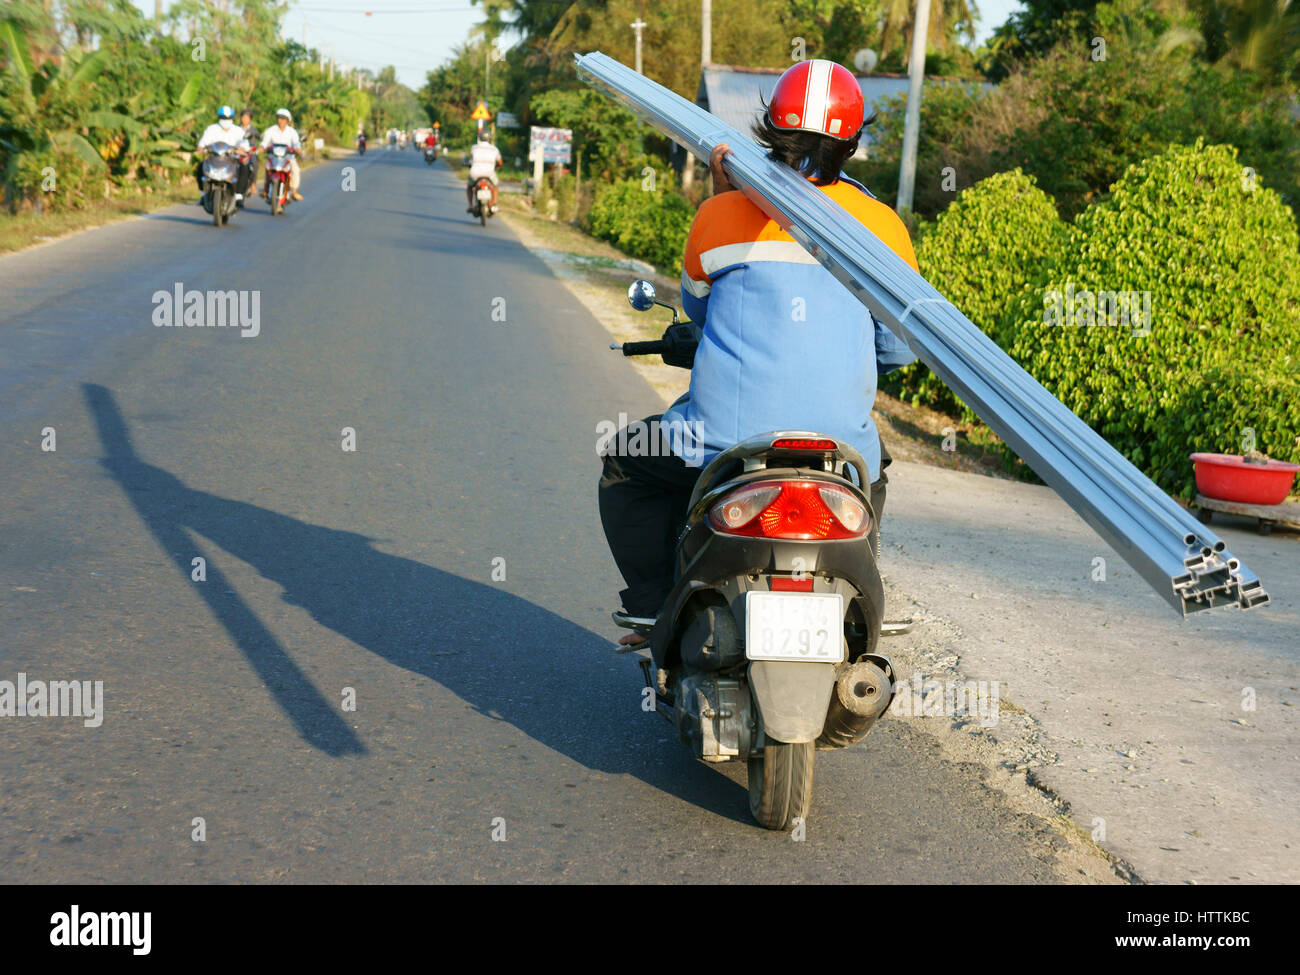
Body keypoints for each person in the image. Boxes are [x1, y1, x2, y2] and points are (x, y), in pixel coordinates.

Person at [597, 59, 920, 647]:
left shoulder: (720, 214)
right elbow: (897, 351)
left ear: (770, 126)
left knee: (626, 461)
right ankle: (861, 599)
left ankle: (655, 609)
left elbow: (698, 315)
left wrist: (724, 199)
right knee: (874, 469)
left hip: (724, 441)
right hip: (839, 448)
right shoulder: (885, 228)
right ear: (851, 140)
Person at [196, 104, 252, 204]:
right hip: (215, 159)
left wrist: (242, 149)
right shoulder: (211, 129)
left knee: (244, 167)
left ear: (232, 118)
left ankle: (238, 195)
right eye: (223, 118)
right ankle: (203, 194)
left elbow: (244, 144)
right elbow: (203, 142)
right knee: (201, 166)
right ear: (219, 118)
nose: (226, 120)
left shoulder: (238, 131)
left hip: (232, 159)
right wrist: (201, 147)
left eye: (228, 118)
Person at [260, 107, 304, 202]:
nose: (281, 121)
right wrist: (261, 148)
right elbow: (265, 142)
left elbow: (296, 143)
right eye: (279, 118)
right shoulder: (271, 130)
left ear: (288, 121)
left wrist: (298, 149)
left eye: (283, 119)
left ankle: (294, 192)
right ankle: (265, 189)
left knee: (295, 170)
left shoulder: (292, 132)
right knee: (267, 169)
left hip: (288, 158)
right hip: (274, 157)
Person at [465, 131, 502, 213]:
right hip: (489, 174)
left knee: (469, 187)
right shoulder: (494, 149)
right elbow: (500, 162)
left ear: (480, 138)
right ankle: (494, 204)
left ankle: (470, 205)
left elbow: (470, 160)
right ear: (490, 139)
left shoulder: (474, 148)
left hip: (475, 174)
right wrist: (498, 166)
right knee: (495, 186)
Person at [239, 108, 260, 200]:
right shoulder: (236, 129)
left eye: (247, 118)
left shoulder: (253, 131)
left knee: (254, 164)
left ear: (250, 119)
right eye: (243, 117)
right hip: (238, 152)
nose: (244, 120)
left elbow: (257, 139)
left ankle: (253, 184)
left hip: (249, 153)